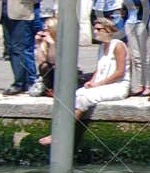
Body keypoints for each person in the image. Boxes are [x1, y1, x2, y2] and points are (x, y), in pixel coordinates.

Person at [38, 17, 128, 145]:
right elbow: (99, 69)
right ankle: (61, 130)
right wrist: (92, 81)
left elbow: (120, 72)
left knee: (83, 97)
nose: (95, 32)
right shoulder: (102, 47)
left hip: (118, 86)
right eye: (94, 29)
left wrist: (98, 84)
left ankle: (60, 134)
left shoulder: (118, 45)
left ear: (107, 30)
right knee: (76, 94)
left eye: (98, 29)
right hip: (103, 84)